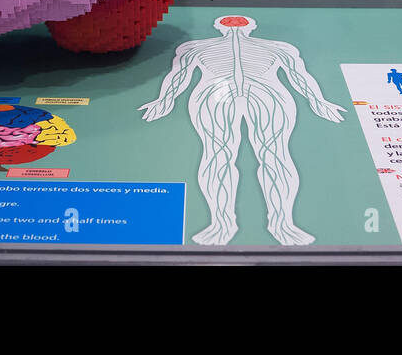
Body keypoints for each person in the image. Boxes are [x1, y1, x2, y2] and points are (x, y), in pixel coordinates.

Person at [140, 14, 345, 245]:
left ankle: (283, 224)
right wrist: (164, 100)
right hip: (214, 94)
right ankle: (220, 223)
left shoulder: (279, 48)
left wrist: (318, 101)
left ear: (253, 25)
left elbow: (299, 76)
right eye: (229, 21)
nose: (235, 24)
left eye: (241, 21)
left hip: (268, 94)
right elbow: (179, 75)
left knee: (275, 156)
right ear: (217, 25)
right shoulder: (194, 48)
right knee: (217, 156)